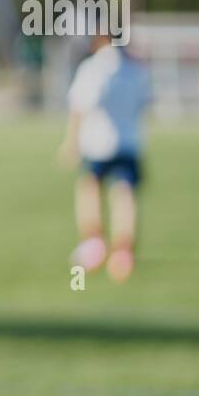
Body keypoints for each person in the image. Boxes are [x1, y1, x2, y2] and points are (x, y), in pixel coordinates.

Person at [57, 29, 152, 283]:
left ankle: (94, 243)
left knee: (89, 188)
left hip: (99, 142)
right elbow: (144, 103)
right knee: (124, 194)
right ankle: (123, 253)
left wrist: (71, 141)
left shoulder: (94, 68)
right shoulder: (136, 68)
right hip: (129, 141)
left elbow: (80, 105)